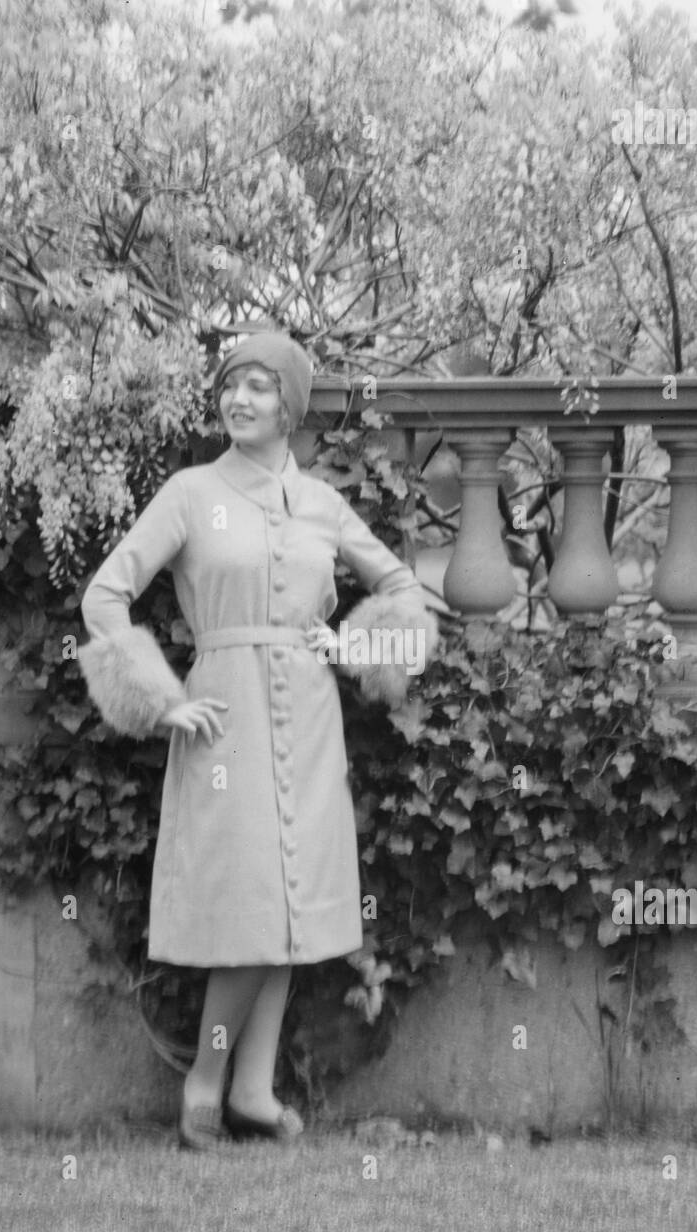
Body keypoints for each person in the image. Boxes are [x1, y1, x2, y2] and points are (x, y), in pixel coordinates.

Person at [78, 330, 437, 1148]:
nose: (239, 401)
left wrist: (356, 647)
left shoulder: (322, 504)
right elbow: (106, 596)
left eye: (259, 388)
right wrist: (156, 699)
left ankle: (250, 1090)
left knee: (291, 906)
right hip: (224, 716)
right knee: (248, 906)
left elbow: (402, 587)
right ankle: (207, 1080)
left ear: (291, 407)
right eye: (230, 387)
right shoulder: (188, 491)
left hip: (311, 717)